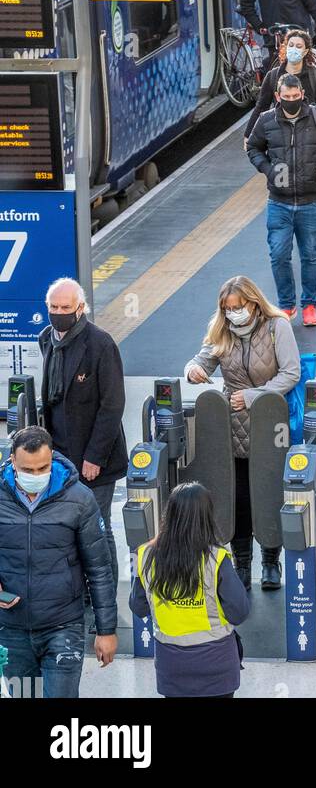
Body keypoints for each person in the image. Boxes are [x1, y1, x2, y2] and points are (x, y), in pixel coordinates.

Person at [185, 275, 301, 590]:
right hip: (232, 427)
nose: (234, 313)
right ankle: (242, 564)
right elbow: (203, 360)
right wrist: (193, 370)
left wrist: (254, 396)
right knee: (237, 497)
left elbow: (291, 372)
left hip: (268, 422)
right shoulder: (221, 329)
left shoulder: (278, 326)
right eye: (228, 308)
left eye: (238, 306)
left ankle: (270, 561)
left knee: (267, 491)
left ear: (253, 302)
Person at [0, 425, 117, 698]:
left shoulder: (79, 500)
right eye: (28, 470)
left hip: (63, 626)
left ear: (52, 457)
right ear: (13, 461)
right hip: (12, 630)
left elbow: (99, 568)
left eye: (42, 468)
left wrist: (106, 630)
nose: (36, 476)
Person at [38, 277, 126, 591]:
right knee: (69, 526)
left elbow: (112, 404)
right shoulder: (47, 339)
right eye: (53, 307)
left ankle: (106, 594)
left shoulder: (100, 343)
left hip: (95, 458)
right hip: (60, 454)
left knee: (98, 528)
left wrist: (94, 456)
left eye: (65, 307)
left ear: (80, 308)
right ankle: (83, 592)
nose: (58, 313)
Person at [130, 482, 250, 698]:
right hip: (216, 665)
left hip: (171, 665)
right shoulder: (216, 558)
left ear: (170, 515)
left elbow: (138, 607)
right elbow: (239, 612)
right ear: (206, 517)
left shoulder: (146, 556)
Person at [247, 72, 316, 324]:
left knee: (310, 254)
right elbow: (253, 147)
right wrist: (268, 169)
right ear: (277, 96)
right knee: (279, 254)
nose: (291, 100)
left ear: (302, 94)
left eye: (295, 96)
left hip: (312, 200)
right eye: (286, 96)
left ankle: (310, 305)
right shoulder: (265, 120)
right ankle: (287, 304)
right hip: (278, 201)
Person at [244, 26, 316, 146]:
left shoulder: (314, 75)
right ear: (285, 48)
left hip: (308, 138)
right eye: (290, 45)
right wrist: (248, 135)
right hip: (280, 137)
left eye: (298, 46)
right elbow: (261, 107)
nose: (293, 49)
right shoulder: (273, 75)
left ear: (306, 51)